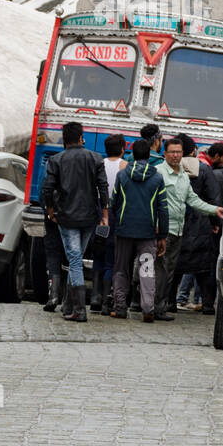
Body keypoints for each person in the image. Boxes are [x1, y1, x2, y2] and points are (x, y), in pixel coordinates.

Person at [42, 121, 109, 323]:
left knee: (74, 259)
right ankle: (69, 305)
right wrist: (104, 214)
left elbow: (47, 189)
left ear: (64, 139)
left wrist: (51, 211)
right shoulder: (96, 158)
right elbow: (103, 188)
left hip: (66, 217)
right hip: (89, 217)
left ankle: (79, 310)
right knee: (76, 258)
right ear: (81, 138)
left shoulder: (56, 160)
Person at [153, 136, 223, 320]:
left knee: (170, 270)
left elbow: (193, 200)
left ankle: (159, 306)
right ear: (165, 154)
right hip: (163, 230)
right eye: (172, 152)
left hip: (179, 230)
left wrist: (214, 210)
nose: (176, 156)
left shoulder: (184, 175)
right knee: (162, 269)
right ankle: (155, 306)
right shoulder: (158, 172)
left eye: (179, 152)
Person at [109, 138, 169, 321]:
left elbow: (114, 204)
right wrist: (163, 236)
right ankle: (148, 309)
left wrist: (116, 226)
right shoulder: (158, 178)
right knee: (146, 269)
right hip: (147, 233)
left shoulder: (122, 176)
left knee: (121, 270)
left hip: (124, 231)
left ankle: (120, 308)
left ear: (133, 154)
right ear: (149, 155)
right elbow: (163, 209)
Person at [175, 135, 221, 315]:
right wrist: (215, 222)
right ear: (193, 150)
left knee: (174, 268)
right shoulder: (204, 170)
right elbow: (213, 198)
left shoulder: (170, 169)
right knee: (204, 269)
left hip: (177, 223)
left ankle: (169, 302)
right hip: (200, 225)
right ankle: (208, 305)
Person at [91, 134, 127, 314]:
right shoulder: (125, 167)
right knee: (111, 258)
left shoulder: (99, 164)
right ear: (123, 148)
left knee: (98, 252)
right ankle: (105, 300)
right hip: (115, 213)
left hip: (98, 212)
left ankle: (95, 296)